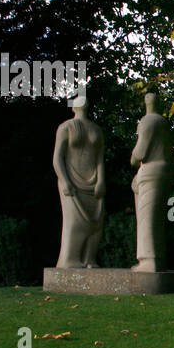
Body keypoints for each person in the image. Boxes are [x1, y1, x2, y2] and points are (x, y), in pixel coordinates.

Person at [52, 96, 105, 268]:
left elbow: (100, 158)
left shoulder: (96, 129)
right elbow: (57, 158)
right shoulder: (66, 127)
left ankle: (89, 258)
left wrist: (101, 180)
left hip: (93, 182)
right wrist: (64, 179)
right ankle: (70, 260)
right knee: (74, 222)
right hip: (72, 182)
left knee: (96, 223)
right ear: (72, 107)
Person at [130, 92, 170, 272]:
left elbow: (140, 153)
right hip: (164, 170)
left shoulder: (147, 122)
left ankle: (148, 260)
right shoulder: (164, 123)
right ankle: (158, 258)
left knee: (146, 217)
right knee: (157, 217)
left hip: (150, 171)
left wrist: (133, 158)